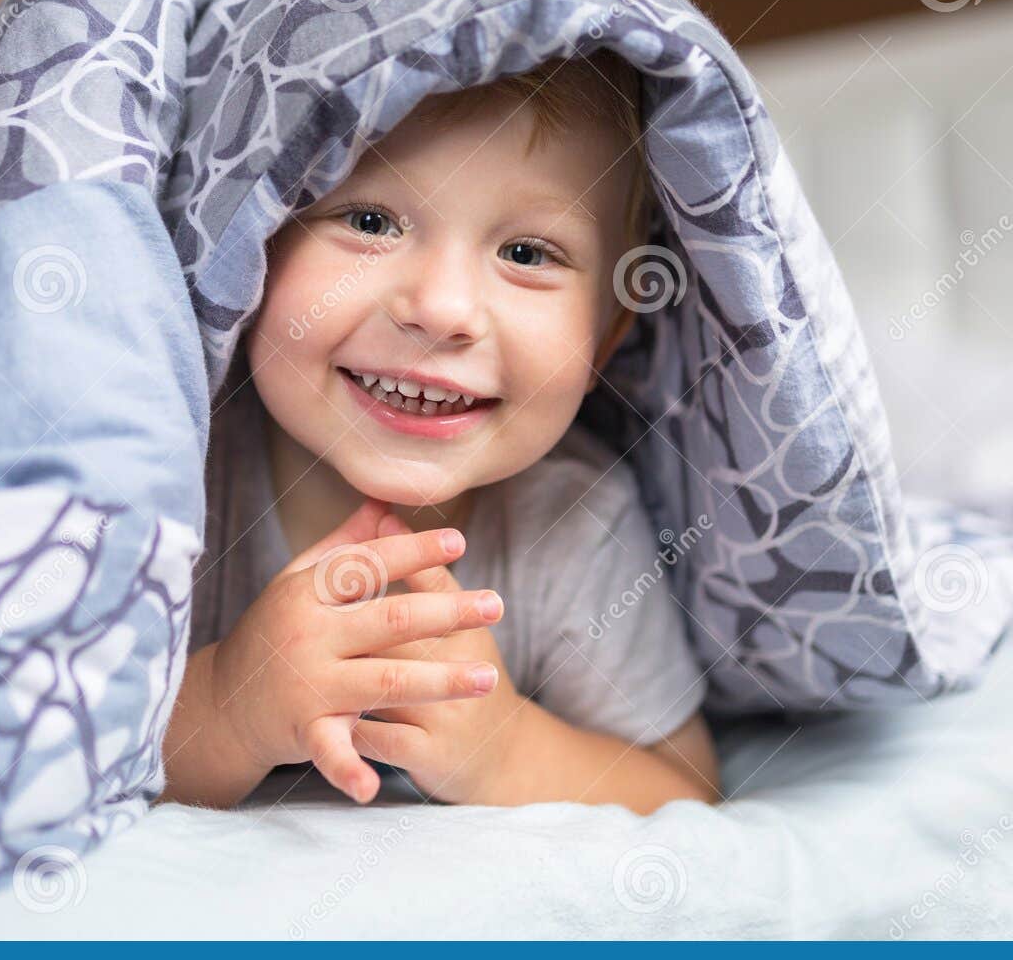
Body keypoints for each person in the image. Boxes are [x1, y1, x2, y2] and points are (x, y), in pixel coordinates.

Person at [163, 50, 720, 815]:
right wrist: (226, 707)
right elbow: (42, 751)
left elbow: (682, 787)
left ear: (608, 335)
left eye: (526, 253)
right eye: (369, 220)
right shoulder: (173, 473)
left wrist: (508, 752)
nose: (442, 307)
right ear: (246, 256)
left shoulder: (573, 523)